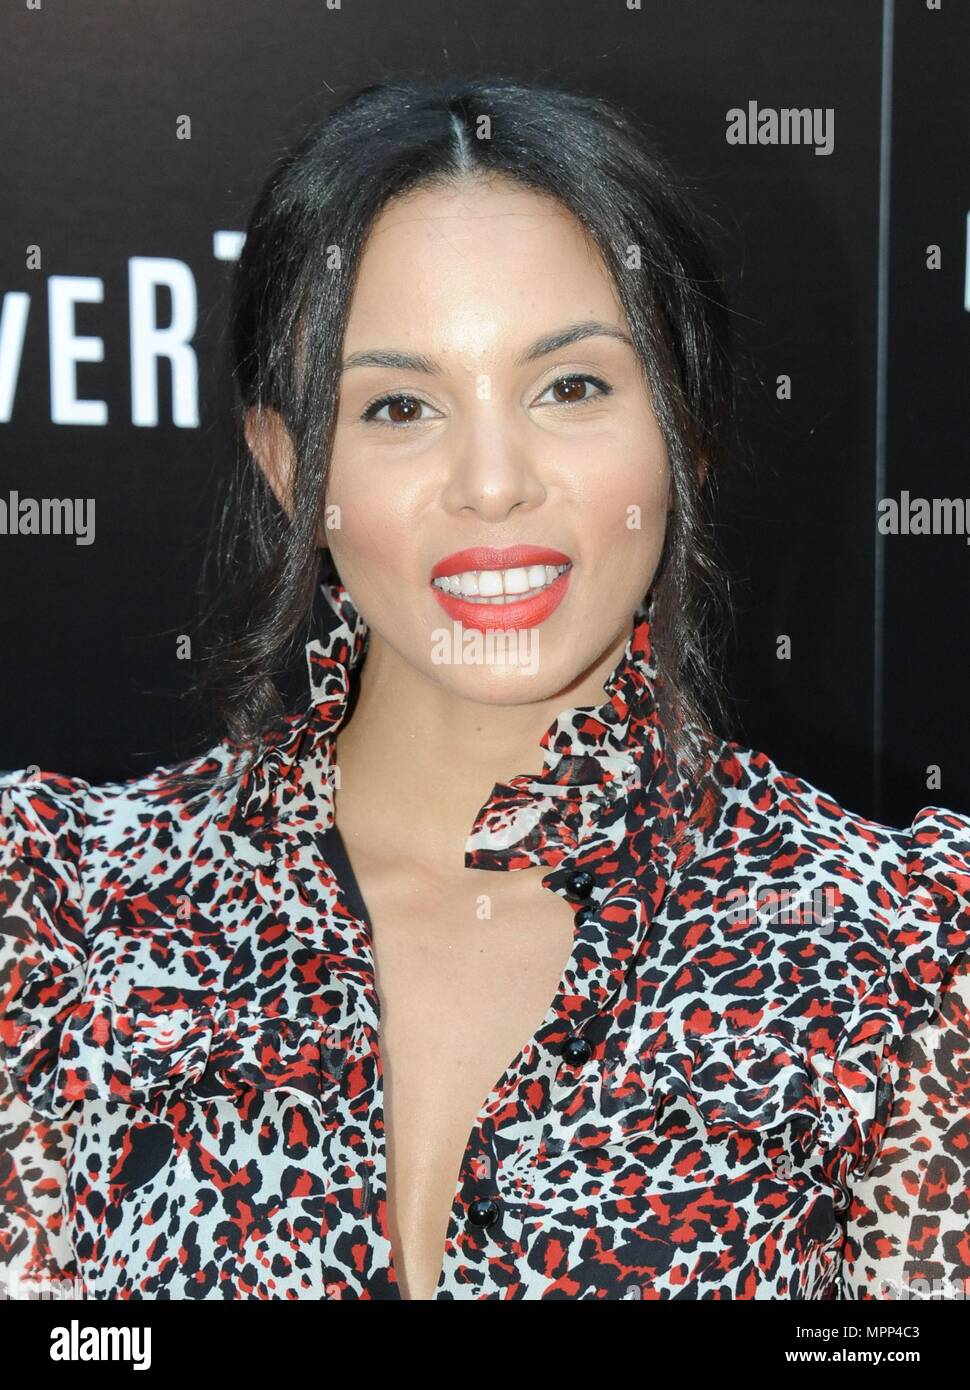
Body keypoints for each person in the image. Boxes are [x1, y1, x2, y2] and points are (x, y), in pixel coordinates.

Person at [1, 74, 968, 1302]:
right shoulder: (59, 920)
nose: (494, 482)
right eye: (399, 405)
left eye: (570, 386)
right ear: (292, 466)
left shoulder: (901, 953)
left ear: (686, 425)